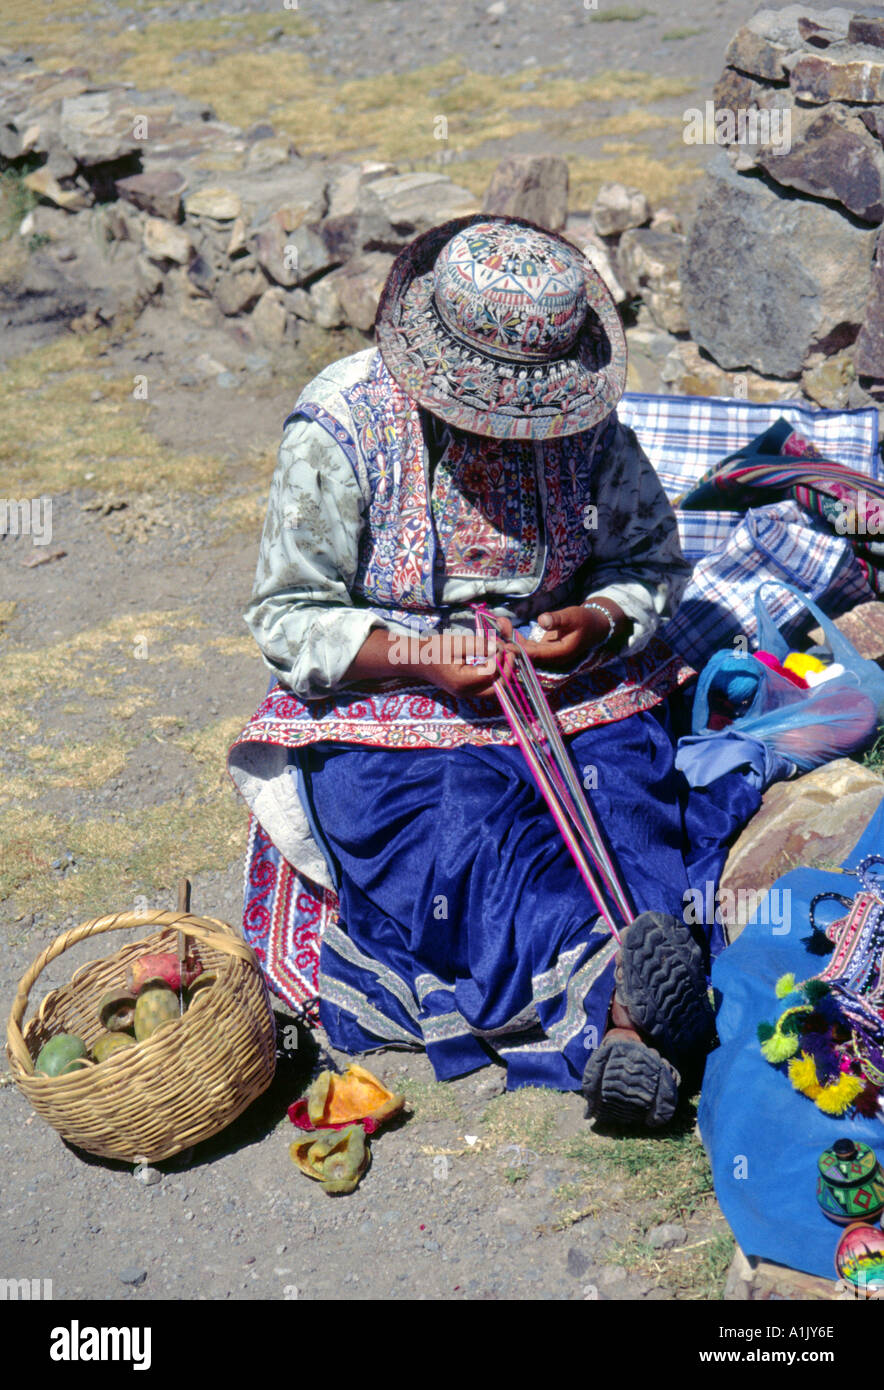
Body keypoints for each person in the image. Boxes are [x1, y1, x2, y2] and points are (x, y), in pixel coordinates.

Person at [230, 215, 761, 1128]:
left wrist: (596, 620)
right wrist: (426, 657)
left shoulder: (587, 429)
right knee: (468, 842)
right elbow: (287, 616)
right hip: (391, 699)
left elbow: (650, 565)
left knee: (623, 803)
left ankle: (635, 1009)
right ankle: (614, 1009)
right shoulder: (342, 425)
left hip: (566, 689)